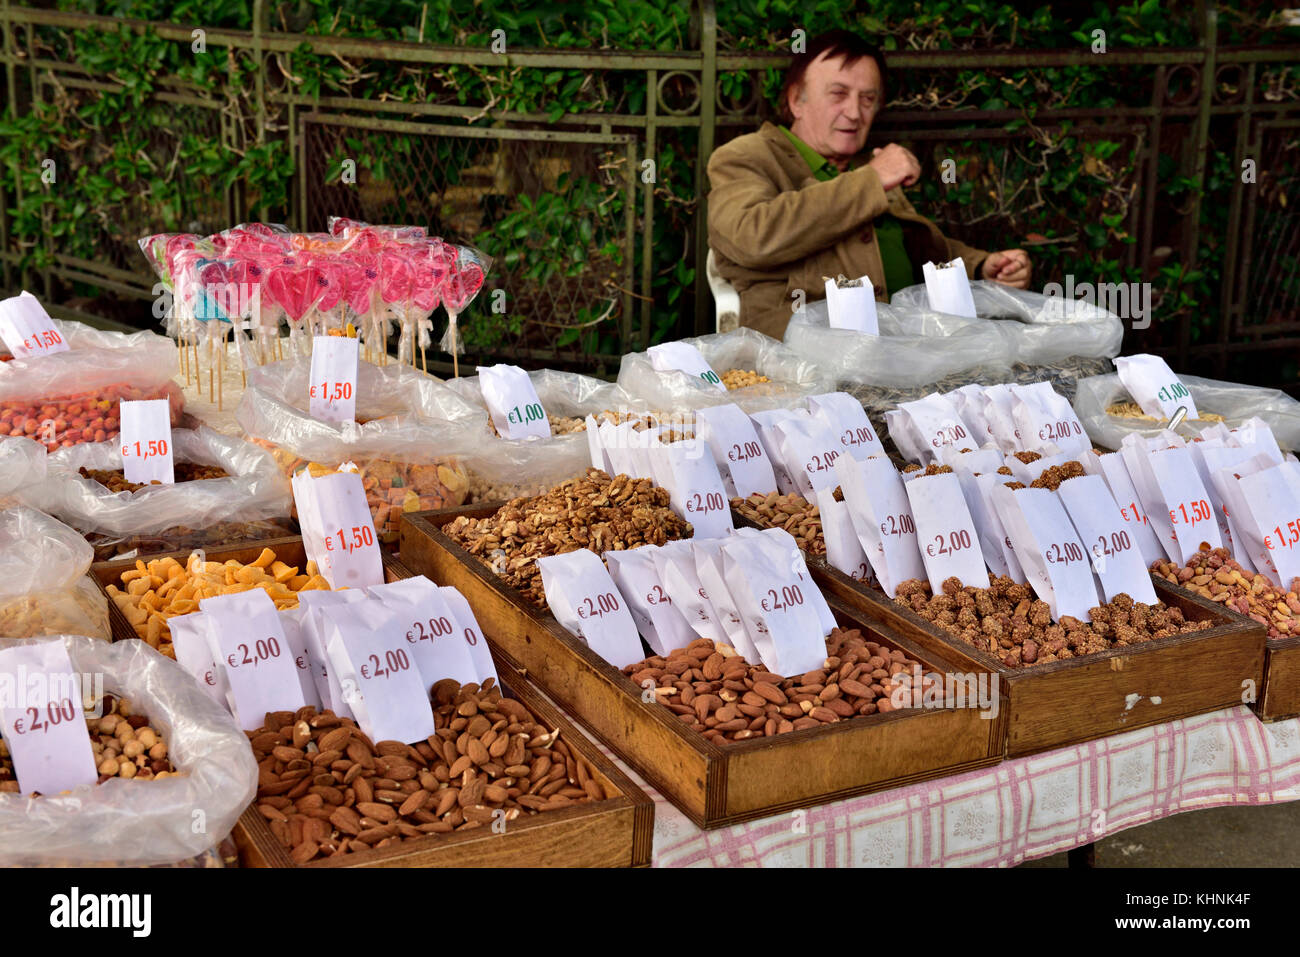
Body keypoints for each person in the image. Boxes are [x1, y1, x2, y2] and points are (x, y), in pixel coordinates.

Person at [707, 30, 1032, 339]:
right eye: (838, 94)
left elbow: (913, 246)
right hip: (804, 357)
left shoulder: (866, 164)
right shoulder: (747, 156)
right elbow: (751, 237)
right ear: (796, 101)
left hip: (907, 347)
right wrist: (873, 180)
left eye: (867, 99)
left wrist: (980, 267)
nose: (854, 113)